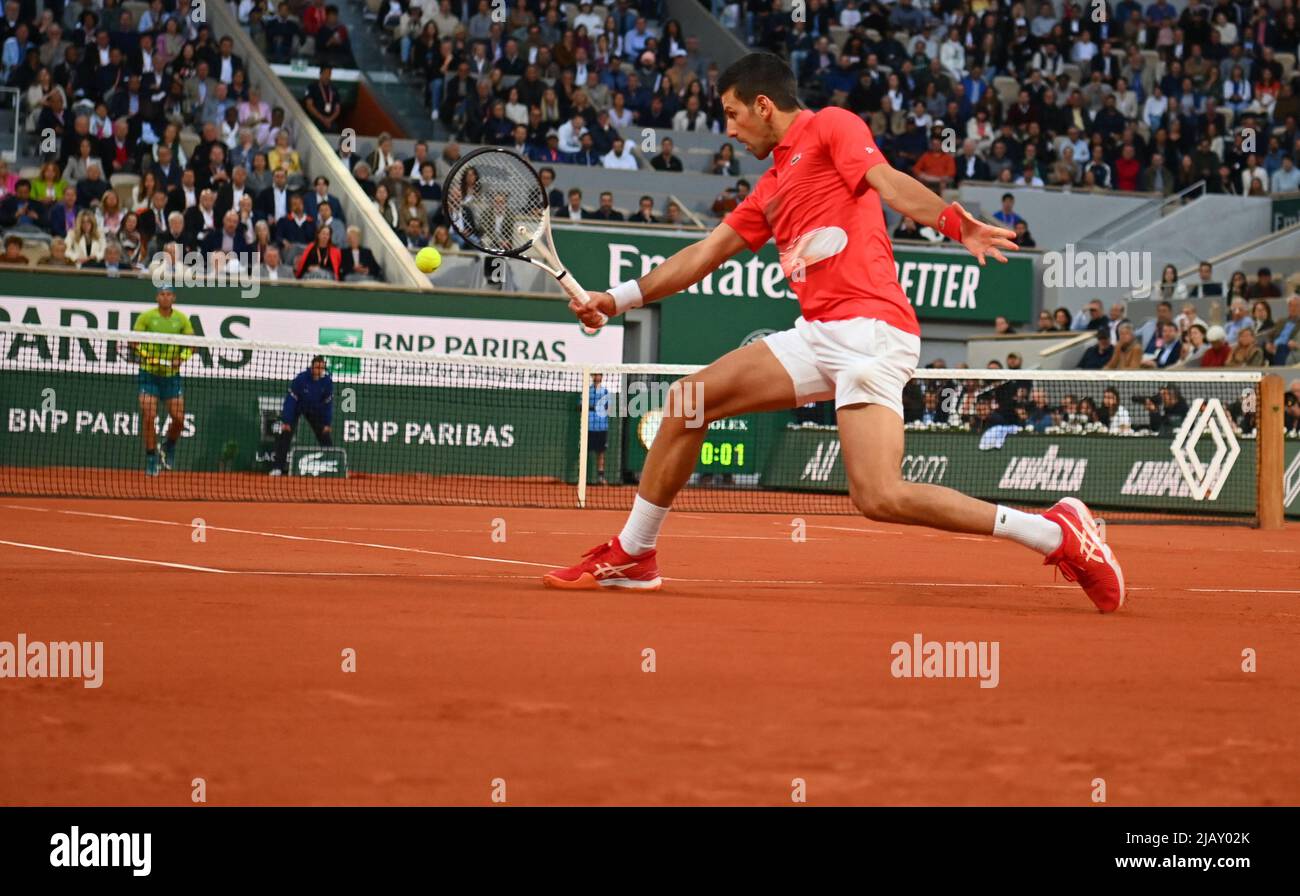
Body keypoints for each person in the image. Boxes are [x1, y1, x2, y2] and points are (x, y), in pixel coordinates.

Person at [545, 52, 1124, 613]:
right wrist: (615, 300)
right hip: (820, 333)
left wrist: (952, 222)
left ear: (764, 105)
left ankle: (1054, 533)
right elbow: (704, 254)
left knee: (878, 496)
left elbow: (886, 180)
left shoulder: (832, 127)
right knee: (687, 402)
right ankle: (634, 554)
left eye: (732, 113)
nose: (729, 129)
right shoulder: (769, 187)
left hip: (871, 331)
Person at [130, 288, 194, 477]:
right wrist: (146, 356)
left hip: (171, 376)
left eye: (169, 294)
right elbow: (133, 342)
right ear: (157, 297)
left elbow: (192, 344)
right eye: (162, 294)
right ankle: (151, 458)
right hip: (148, 374)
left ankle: (169, 446)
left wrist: (181, 358)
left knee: (179, 419)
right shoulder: (146, 317)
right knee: (149, 415)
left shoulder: (182, 319)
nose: (165, 297)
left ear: (173, 298)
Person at [270, 355, 335, 475]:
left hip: (314, 410)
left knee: (324, 434)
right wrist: (287, 421)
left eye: (322, 368)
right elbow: (291, 400)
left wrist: (327, 423)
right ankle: (278, 467)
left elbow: (328, 404)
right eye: (316, 367)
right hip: (297, 407)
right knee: (286, 434)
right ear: (311, 367)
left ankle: (333, 464)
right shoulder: (301, 379)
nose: (319, 370)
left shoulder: (327, 382)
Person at [587, 372, 610, 485]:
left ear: (601, 377)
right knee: (584, 451)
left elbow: (608, 407)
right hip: (588, 425)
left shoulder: (605, 391)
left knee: (601, 452)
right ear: (592, 376)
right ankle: (582, 477)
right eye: (595, 375)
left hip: (602, 426)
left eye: (599, 375)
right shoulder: (587, 391)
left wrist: (595, 407)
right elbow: (581, 406)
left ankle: (600, 477)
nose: (597, 377)